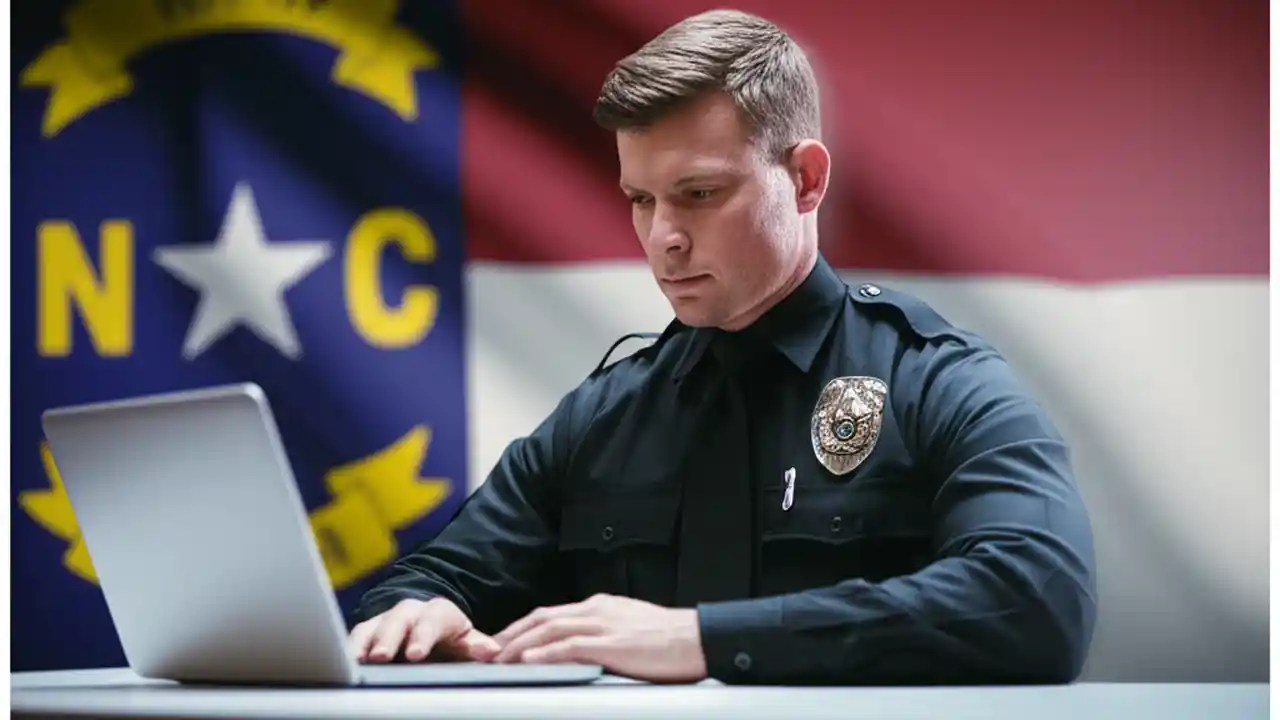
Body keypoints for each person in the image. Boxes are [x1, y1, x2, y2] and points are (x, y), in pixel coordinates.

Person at [347, 8, 1096, 685]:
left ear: (805, 179)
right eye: (640, 200)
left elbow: (1038, 597)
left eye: (699, 193)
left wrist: (707, 640)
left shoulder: (930, 379)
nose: (662, 238)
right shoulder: (609, 413)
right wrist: (420, 615)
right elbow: (432, 581)